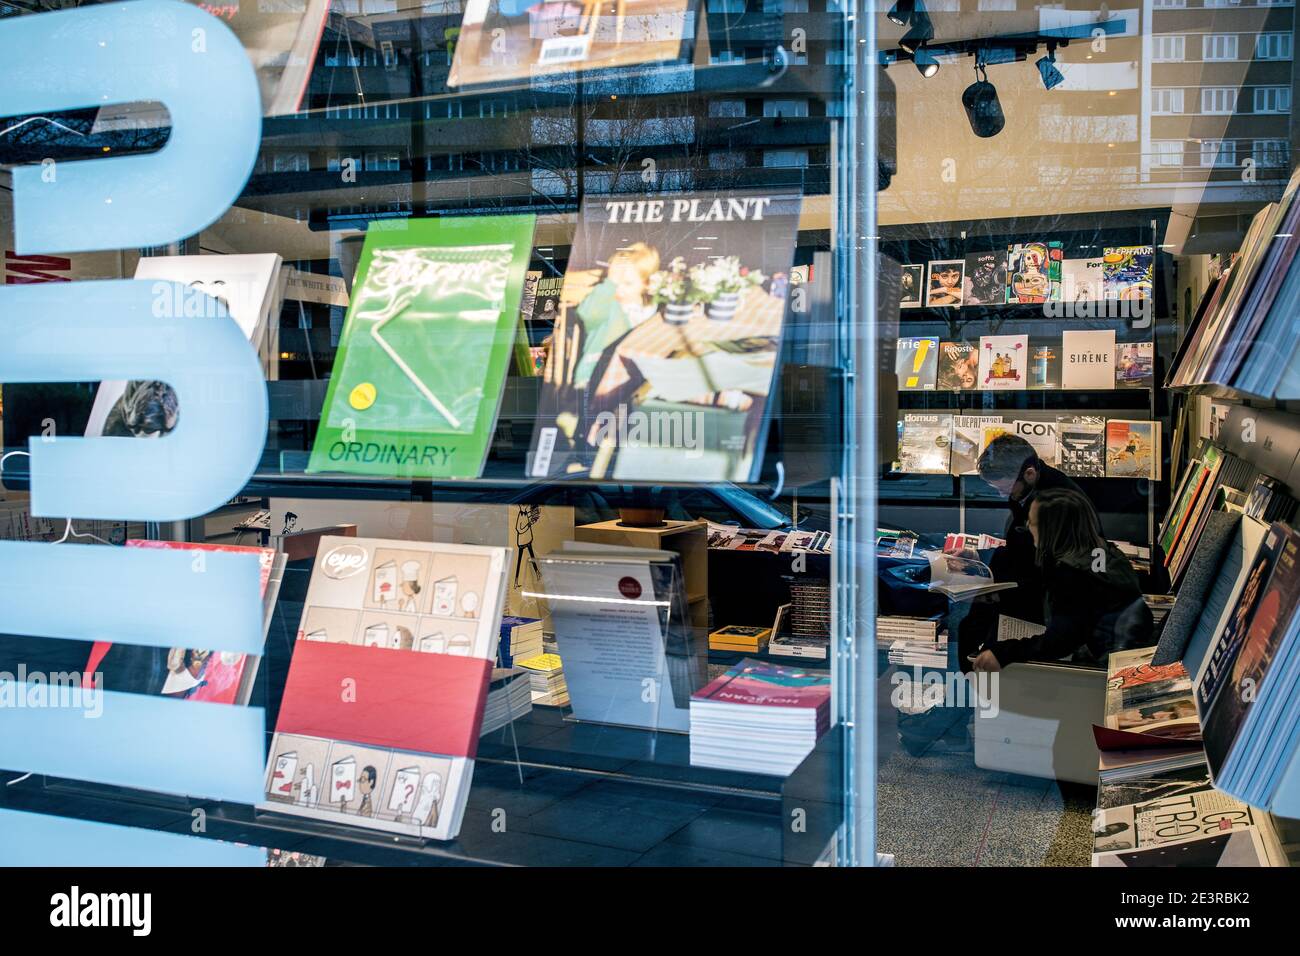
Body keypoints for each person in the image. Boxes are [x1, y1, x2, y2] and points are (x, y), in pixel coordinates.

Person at [970, 488, 1153, 672]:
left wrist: (1002, 653)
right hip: (1126, 657)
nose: (1028, 525)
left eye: (1033, 522)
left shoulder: (1073, 573)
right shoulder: (1105, 554)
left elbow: (1060, 640)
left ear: (1049, 529)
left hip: (1101, 669)